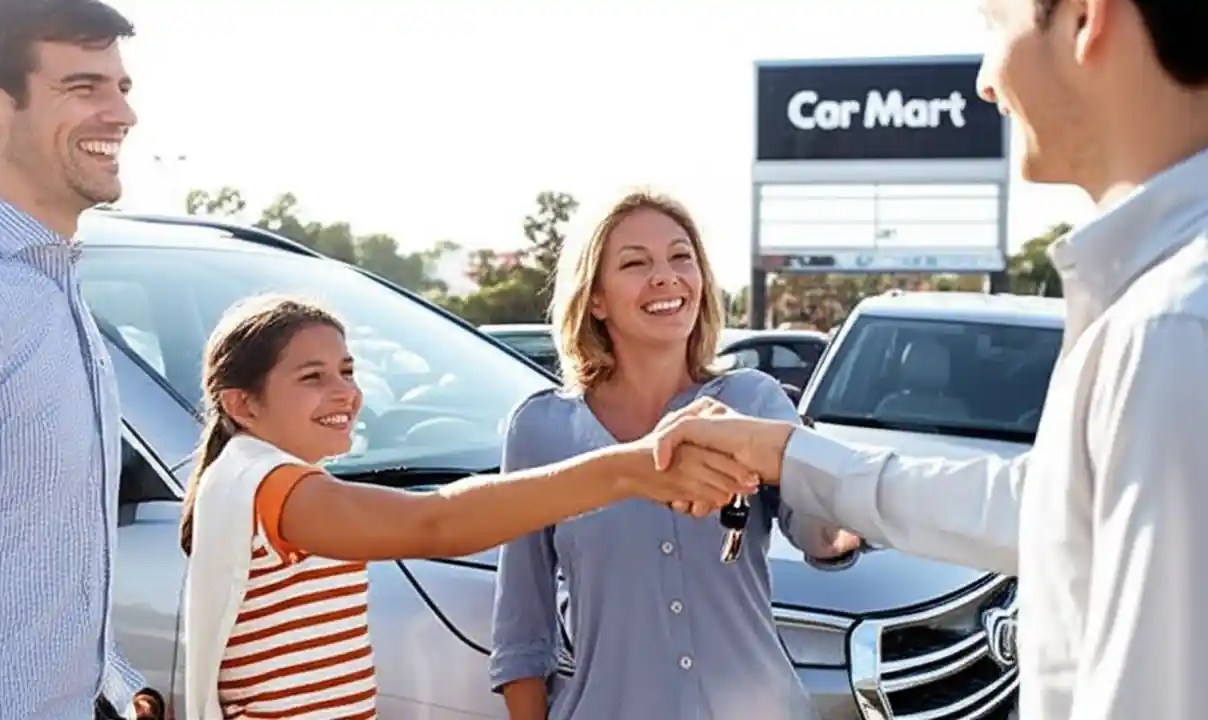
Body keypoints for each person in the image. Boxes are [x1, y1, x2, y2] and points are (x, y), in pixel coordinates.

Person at [653, 2, 1208, 718]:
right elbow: (1036, 509)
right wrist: (785, 453)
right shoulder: (1162, 311)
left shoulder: (1171, 328)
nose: (984, 82)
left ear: (1084, 17)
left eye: (994, 27)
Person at [179, 293, 758, 720]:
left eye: (347, 371)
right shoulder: (276, 492)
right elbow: (435, 522)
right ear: (243, 405)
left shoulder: (264, 482)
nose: (345, 393)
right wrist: (628, 469)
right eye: (313, 377)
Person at [488, 191, 861, 720]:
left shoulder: (753, 401)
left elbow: (820, 533)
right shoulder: (540, 432)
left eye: (681, 257)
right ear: (595, 298)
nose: (666, 276)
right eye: (636, 263)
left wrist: (850, 499)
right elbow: (521, 632)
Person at [0, 0, 162, 718]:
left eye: (121, 88)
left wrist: (116, 686)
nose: (121, 114)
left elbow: (32, 548)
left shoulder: (48, 282)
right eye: (83, 87)